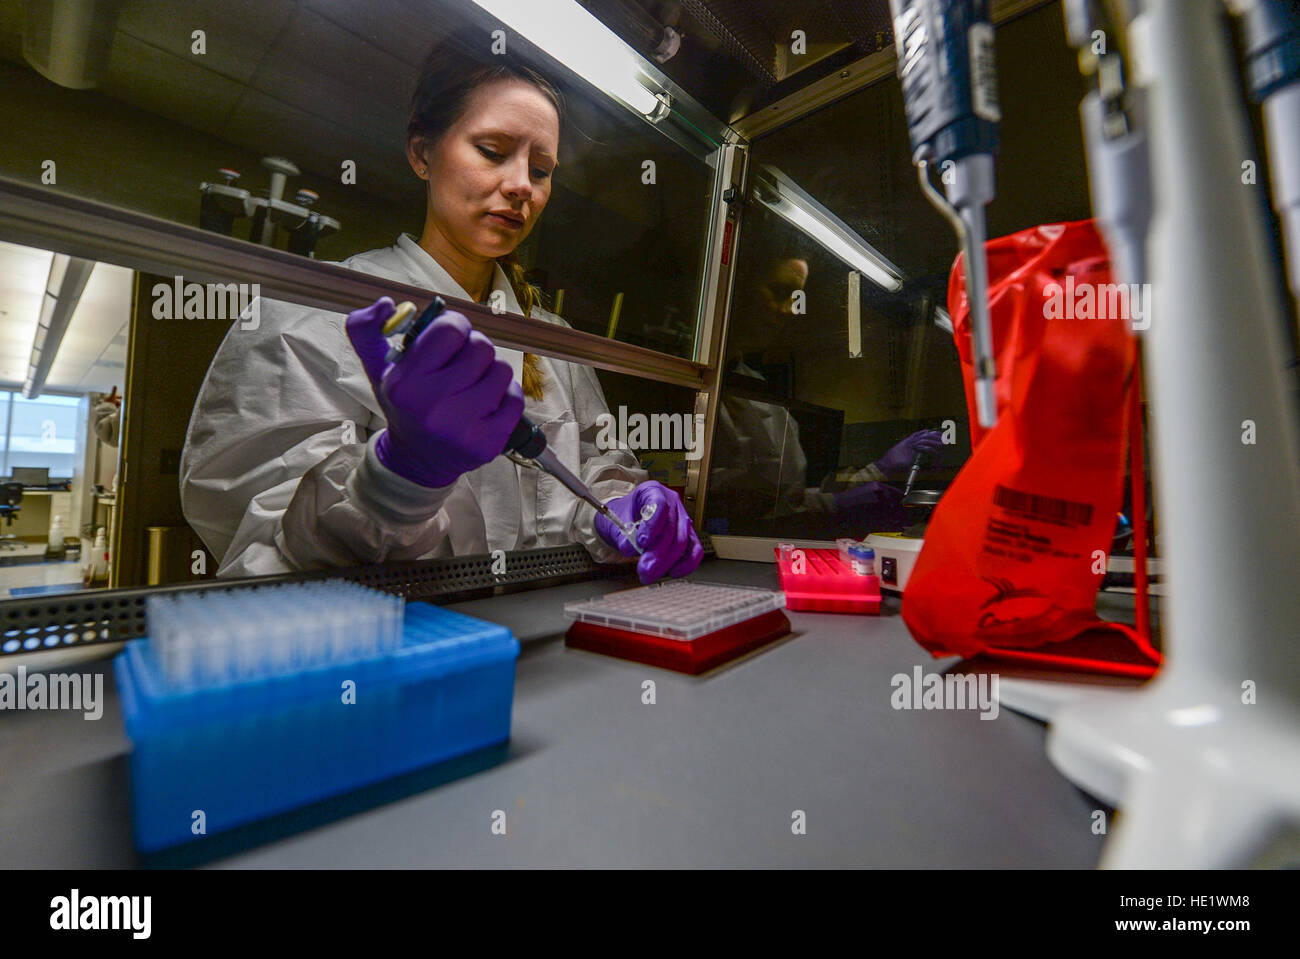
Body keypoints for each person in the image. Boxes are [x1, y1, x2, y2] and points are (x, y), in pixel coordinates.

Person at [181, 36, 702, 584]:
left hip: (545, 633)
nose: (522, 184)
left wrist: (620, 509)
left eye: (542, 170)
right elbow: (259, 549)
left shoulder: (553, 342)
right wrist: (395, 478)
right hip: (394, 645)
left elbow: (590, 471)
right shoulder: (314, 309)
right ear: (422, 154)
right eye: (493, 151)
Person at [709, 247, 944, 537]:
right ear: (739, 282)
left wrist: (878, 471)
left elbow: (790, 502)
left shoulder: (763, 395)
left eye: (795, 298)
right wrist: (840, 503)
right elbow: (728, 508)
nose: (787, 311)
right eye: (779, 290)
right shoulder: (698, 384)